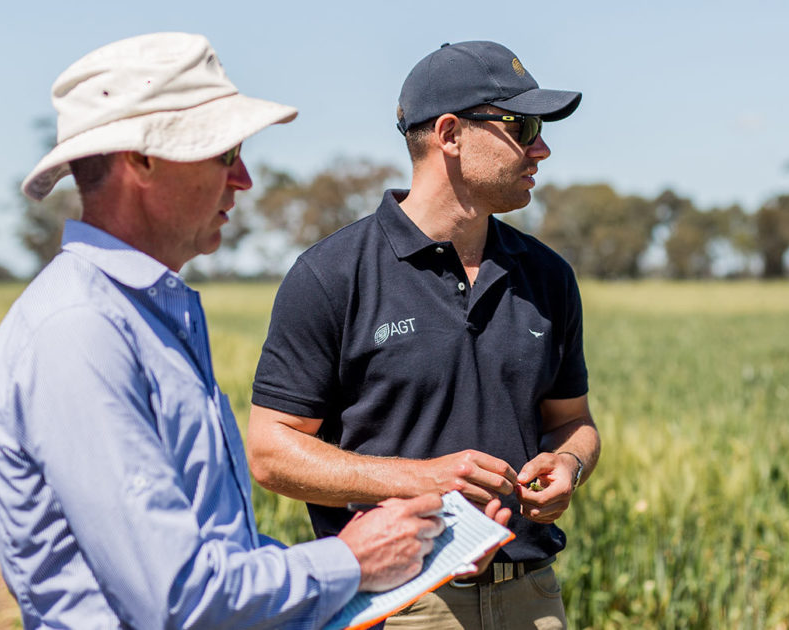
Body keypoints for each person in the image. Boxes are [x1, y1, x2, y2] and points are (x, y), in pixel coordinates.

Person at [0, 33, 489, 629]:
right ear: (141, 161)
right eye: (224, 154)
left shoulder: (139, 314)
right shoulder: (81, 331)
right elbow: (178, 598)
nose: (244, 178)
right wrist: (351, 560)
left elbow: (213, 557)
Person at [248, 41, 601, 629]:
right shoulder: (331, 275)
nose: (542, 147)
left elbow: (574, 422)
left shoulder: (548, 276)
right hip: (400, 604)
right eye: (523, 126)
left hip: (534, 601)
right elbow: (269, 452)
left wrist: (570, 465)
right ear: (450, 133)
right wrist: (421, 480)